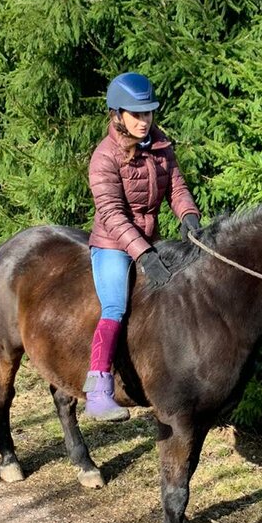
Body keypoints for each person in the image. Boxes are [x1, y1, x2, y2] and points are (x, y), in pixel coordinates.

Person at [83, 72, 201, 420]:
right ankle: (99, 388)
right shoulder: (104, 157)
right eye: (137, 114)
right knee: (115, 306)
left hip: (151, 241)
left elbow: (176, 188)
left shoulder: (161, 144)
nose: (144, 121)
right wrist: (144, 254)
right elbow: (113, 214)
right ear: (117, 115)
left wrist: (188, 216)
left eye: (148, 113)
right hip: (113, 245)